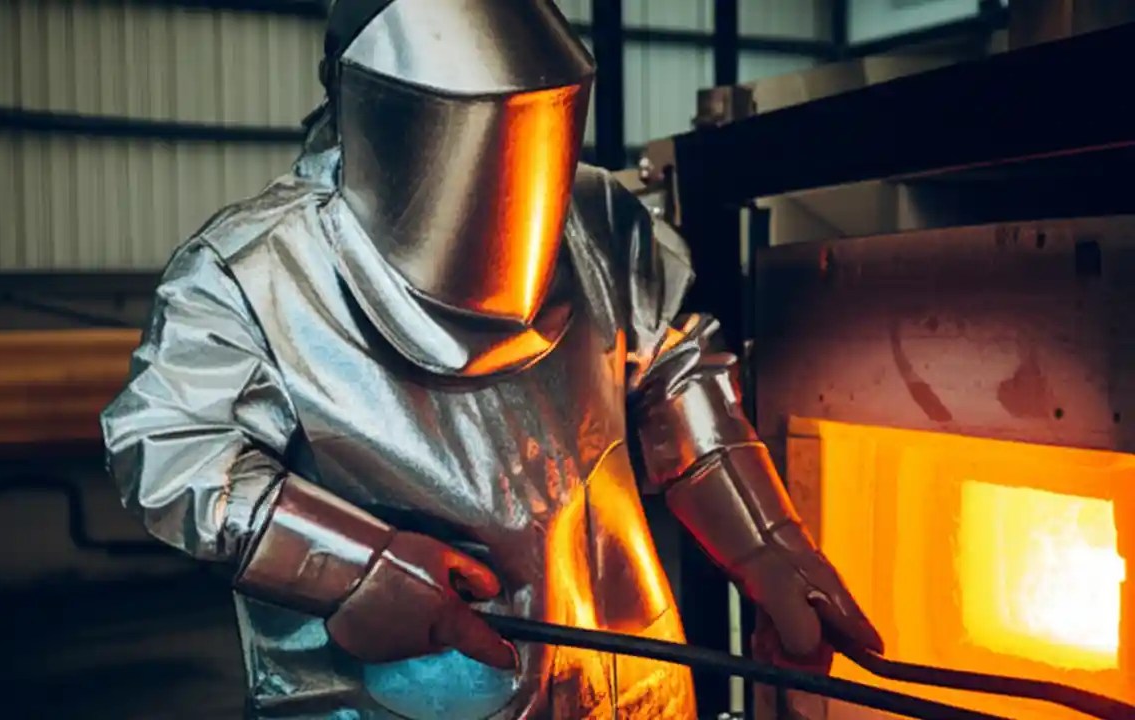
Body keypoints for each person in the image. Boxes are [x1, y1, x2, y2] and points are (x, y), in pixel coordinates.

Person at [101, 0, 882, 717]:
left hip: (624, 686)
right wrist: (352, 566)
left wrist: (765, 539)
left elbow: (674, 370)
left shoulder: (597, 220)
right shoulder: (253, 273)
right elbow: (170, 448)